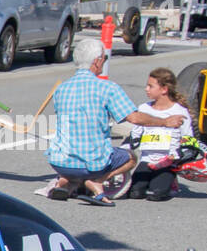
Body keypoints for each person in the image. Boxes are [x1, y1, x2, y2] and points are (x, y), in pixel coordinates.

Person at [38, 41, 186, 206]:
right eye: (104, 58)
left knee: (75, 148)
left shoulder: (61, 89)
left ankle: (66, 181)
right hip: (92, 163)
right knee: (130, 157)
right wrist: (165, 122)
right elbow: (134, 118)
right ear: (97, 61)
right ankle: (98, 182)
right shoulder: (108, 88)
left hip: (59, 162)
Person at [111, 67, 194, 201]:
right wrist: (123, 153)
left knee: (156, 194)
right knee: (135, 193)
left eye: (151, 86)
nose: (146, 89)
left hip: (167, 162)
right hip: (147, 160)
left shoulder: (180, 112)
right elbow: (135, 136)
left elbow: (188, 140)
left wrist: (175, 158)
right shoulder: (144, 109)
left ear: (164, 89)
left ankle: (171, 182)